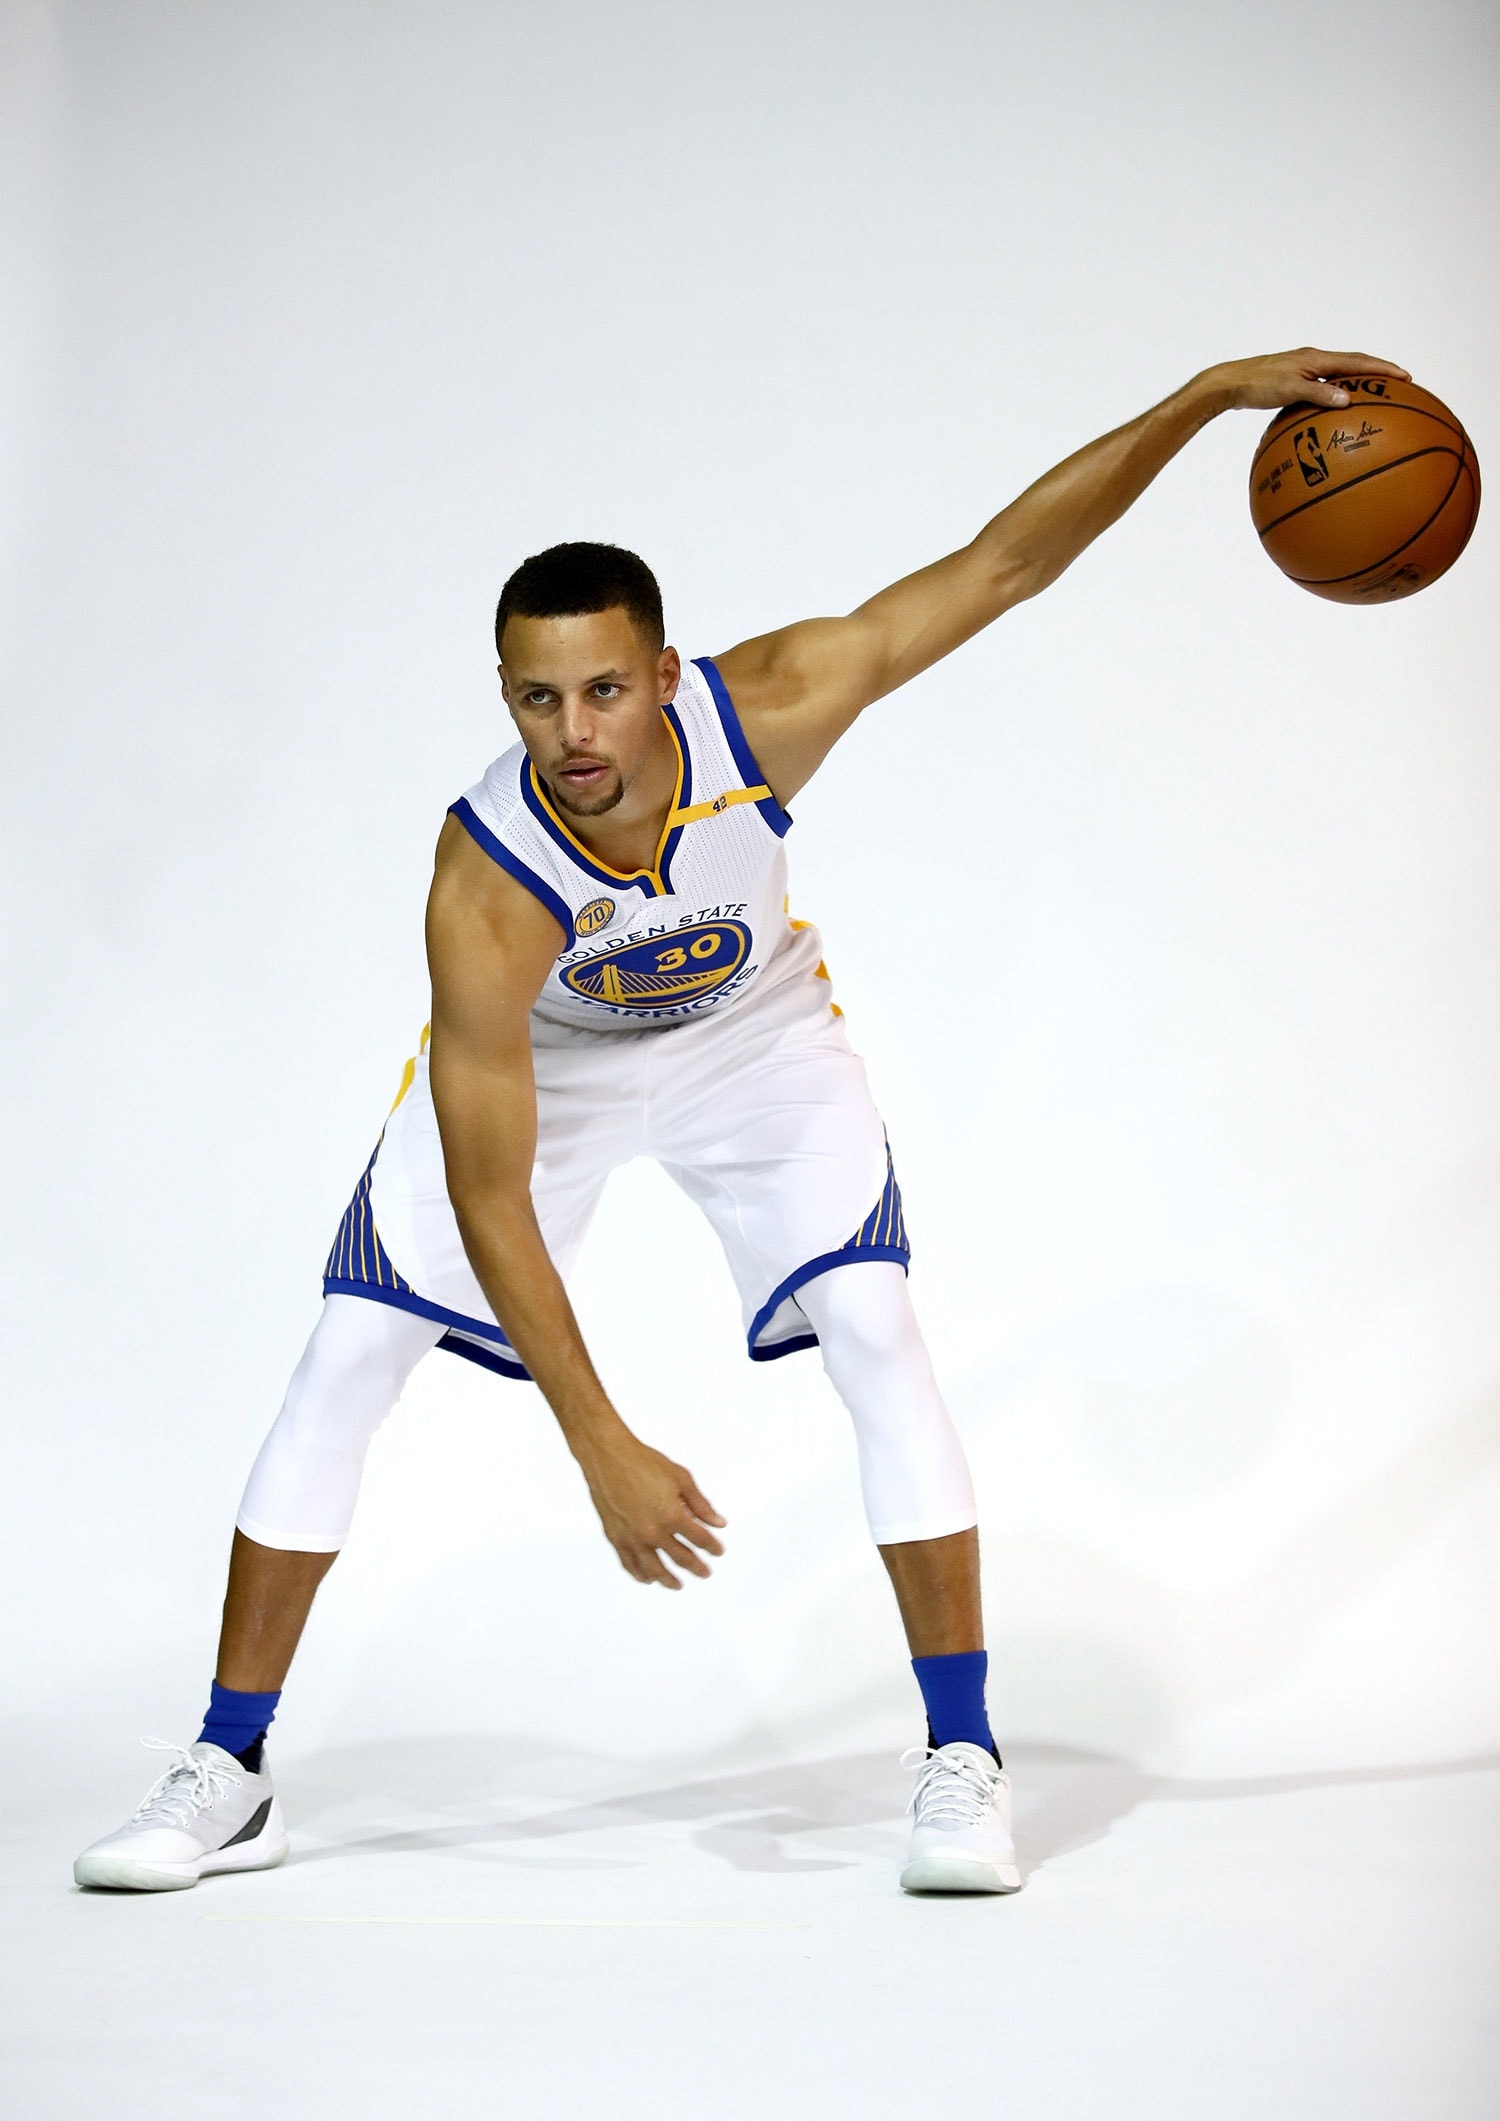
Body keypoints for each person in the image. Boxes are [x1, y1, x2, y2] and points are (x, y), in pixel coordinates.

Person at [74, 347, 1406, 1898]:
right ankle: (227, 1769)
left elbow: (1007, 564)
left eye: (606, 686)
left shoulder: (774, 709)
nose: (575, 728)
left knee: (873, 1320)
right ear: (507, 695)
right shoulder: (484, 887)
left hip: (754, 1041)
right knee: (347, 1352)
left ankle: (962, 1756)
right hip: (551, 1064)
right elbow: (492, 1195)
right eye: (537, 694)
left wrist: (1207, 398)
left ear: (664, 672)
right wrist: (601, 1440)